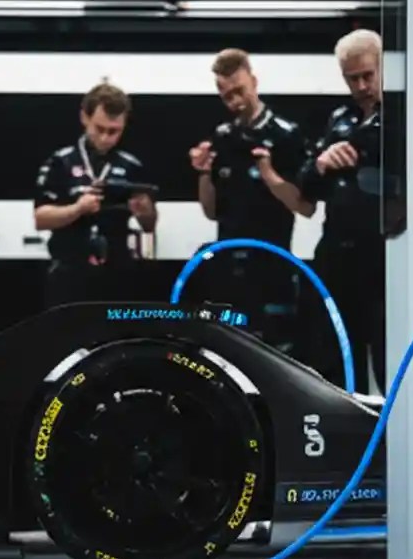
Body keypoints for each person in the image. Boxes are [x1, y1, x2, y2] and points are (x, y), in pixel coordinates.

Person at [187, 48, 312, 342]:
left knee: (273, 351)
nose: (235, 101)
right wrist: (203, 173)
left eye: (240, 91)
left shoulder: (286, 134)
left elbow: (305, 206)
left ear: (254, 82)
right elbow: (211, 211)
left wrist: (269, 175)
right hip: (228, 266)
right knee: (227, 349)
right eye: (226, 96)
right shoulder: (222, 137)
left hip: (272, 263)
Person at [295, 29, 390, 393]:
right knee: (335, 357)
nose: (362, 86)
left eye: (368, 75)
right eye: (353, 79)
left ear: (382, 68)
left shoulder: (403, 119)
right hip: (337, 252)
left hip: (382, 255)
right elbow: (306, 188)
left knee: (386, 355)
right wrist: (323, 162)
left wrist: (359, 158)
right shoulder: (339, 119)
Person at [34, 81, 158, 308]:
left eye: (114, 131)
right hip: (69, 271)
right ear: (85, 117)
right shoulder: (61, 161)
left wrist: (145, 211)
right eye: (99, 129)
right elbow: (40, 218)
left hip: (117, 273)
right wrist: (77, 209)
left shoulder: (132, 165)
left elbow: (149, 225)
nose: (105, 138)